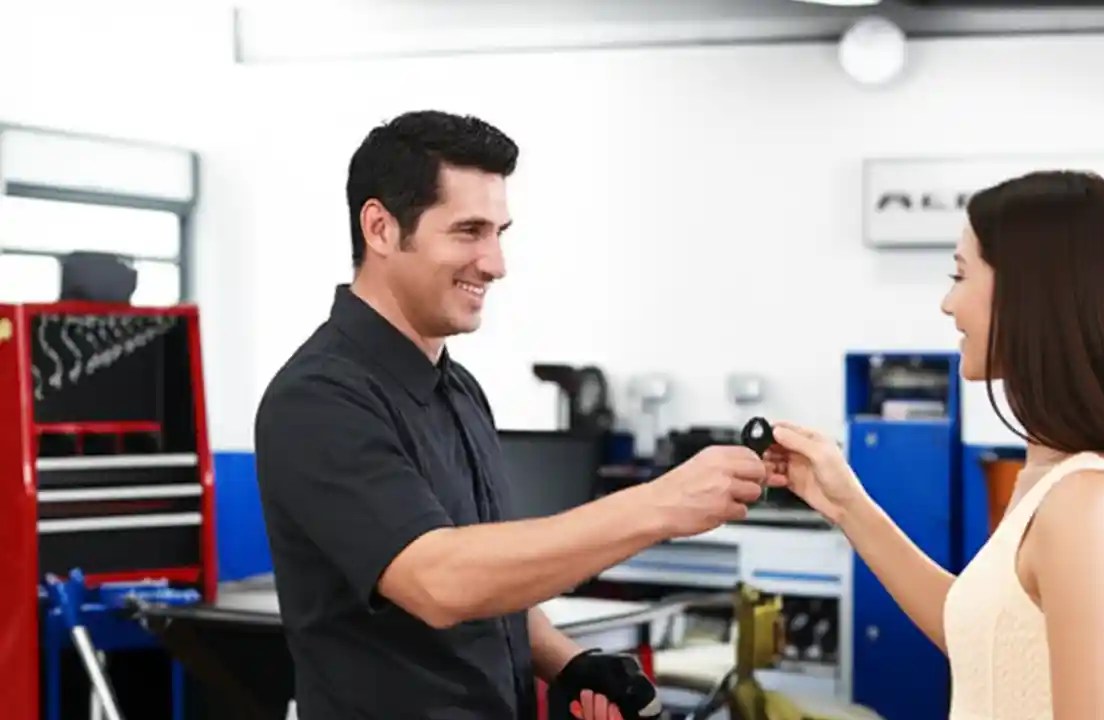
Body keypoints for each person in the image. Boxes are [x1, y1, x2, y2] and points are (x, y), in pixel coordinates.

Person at [253, 110, 768, 720]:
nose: (496, 264)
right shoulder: (319, 400)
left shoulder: (460, 391)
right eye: (469, 231)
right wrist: (661, 505)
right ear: (381, 229)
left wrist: (567, 662)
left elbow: (492, 580)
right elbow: (441, 582)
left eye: (500, 232)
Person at [762, 170, 1104, 719]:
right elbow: (986, 641)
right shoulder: (1055, 475)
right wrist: (845, 503)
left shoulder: (1089, 505)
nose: (946, 303)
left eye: (960, 276)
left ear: (1029, 295)